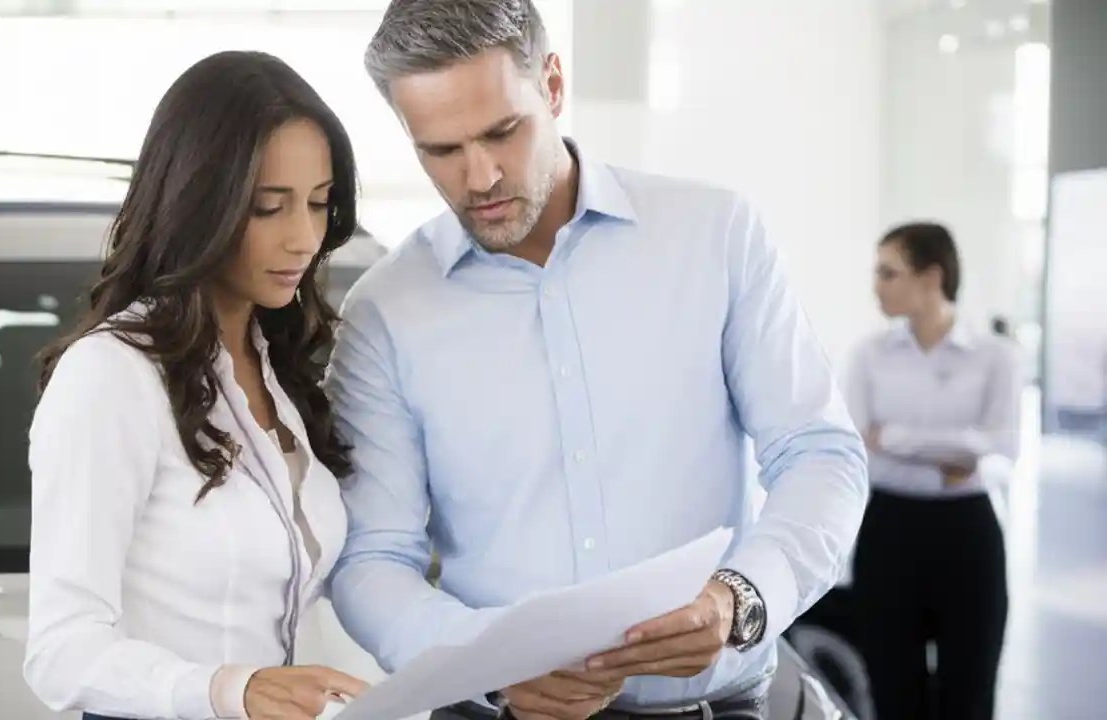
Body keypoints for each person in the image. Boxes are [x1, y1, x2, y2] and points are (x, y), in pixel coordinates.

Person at [324, 2, 870, 719]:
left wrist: (741, 597)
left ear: (552, 85)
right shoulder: (384, 311)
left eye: (502, 132)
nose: (480, 176)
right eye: (441, 151)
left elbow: (819, 451)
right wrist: (487, 660)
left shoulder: (715, 235)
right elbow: (371, 559)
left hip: (720, 705)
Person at [23, 51, 369, 720]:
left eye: (319, 204)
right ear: (198, 205)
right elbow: (60, 651)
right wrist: (230, 690)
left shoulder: (283, 370)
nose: (303, 238)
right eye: (270, 208)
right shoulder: (112, 376)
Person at [847, 222, 1019, 720]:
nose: (876, 286)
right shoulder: (868, 355)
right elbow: (861, 445)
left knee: (970, 692)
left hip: (969, 534)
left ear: (931, 276)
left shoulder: (997, 357)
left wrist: (896, 438)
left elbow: (1004, 451)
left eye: (888, 272)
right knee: (893, 691)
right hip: (889, 531)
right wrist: (961, 451)